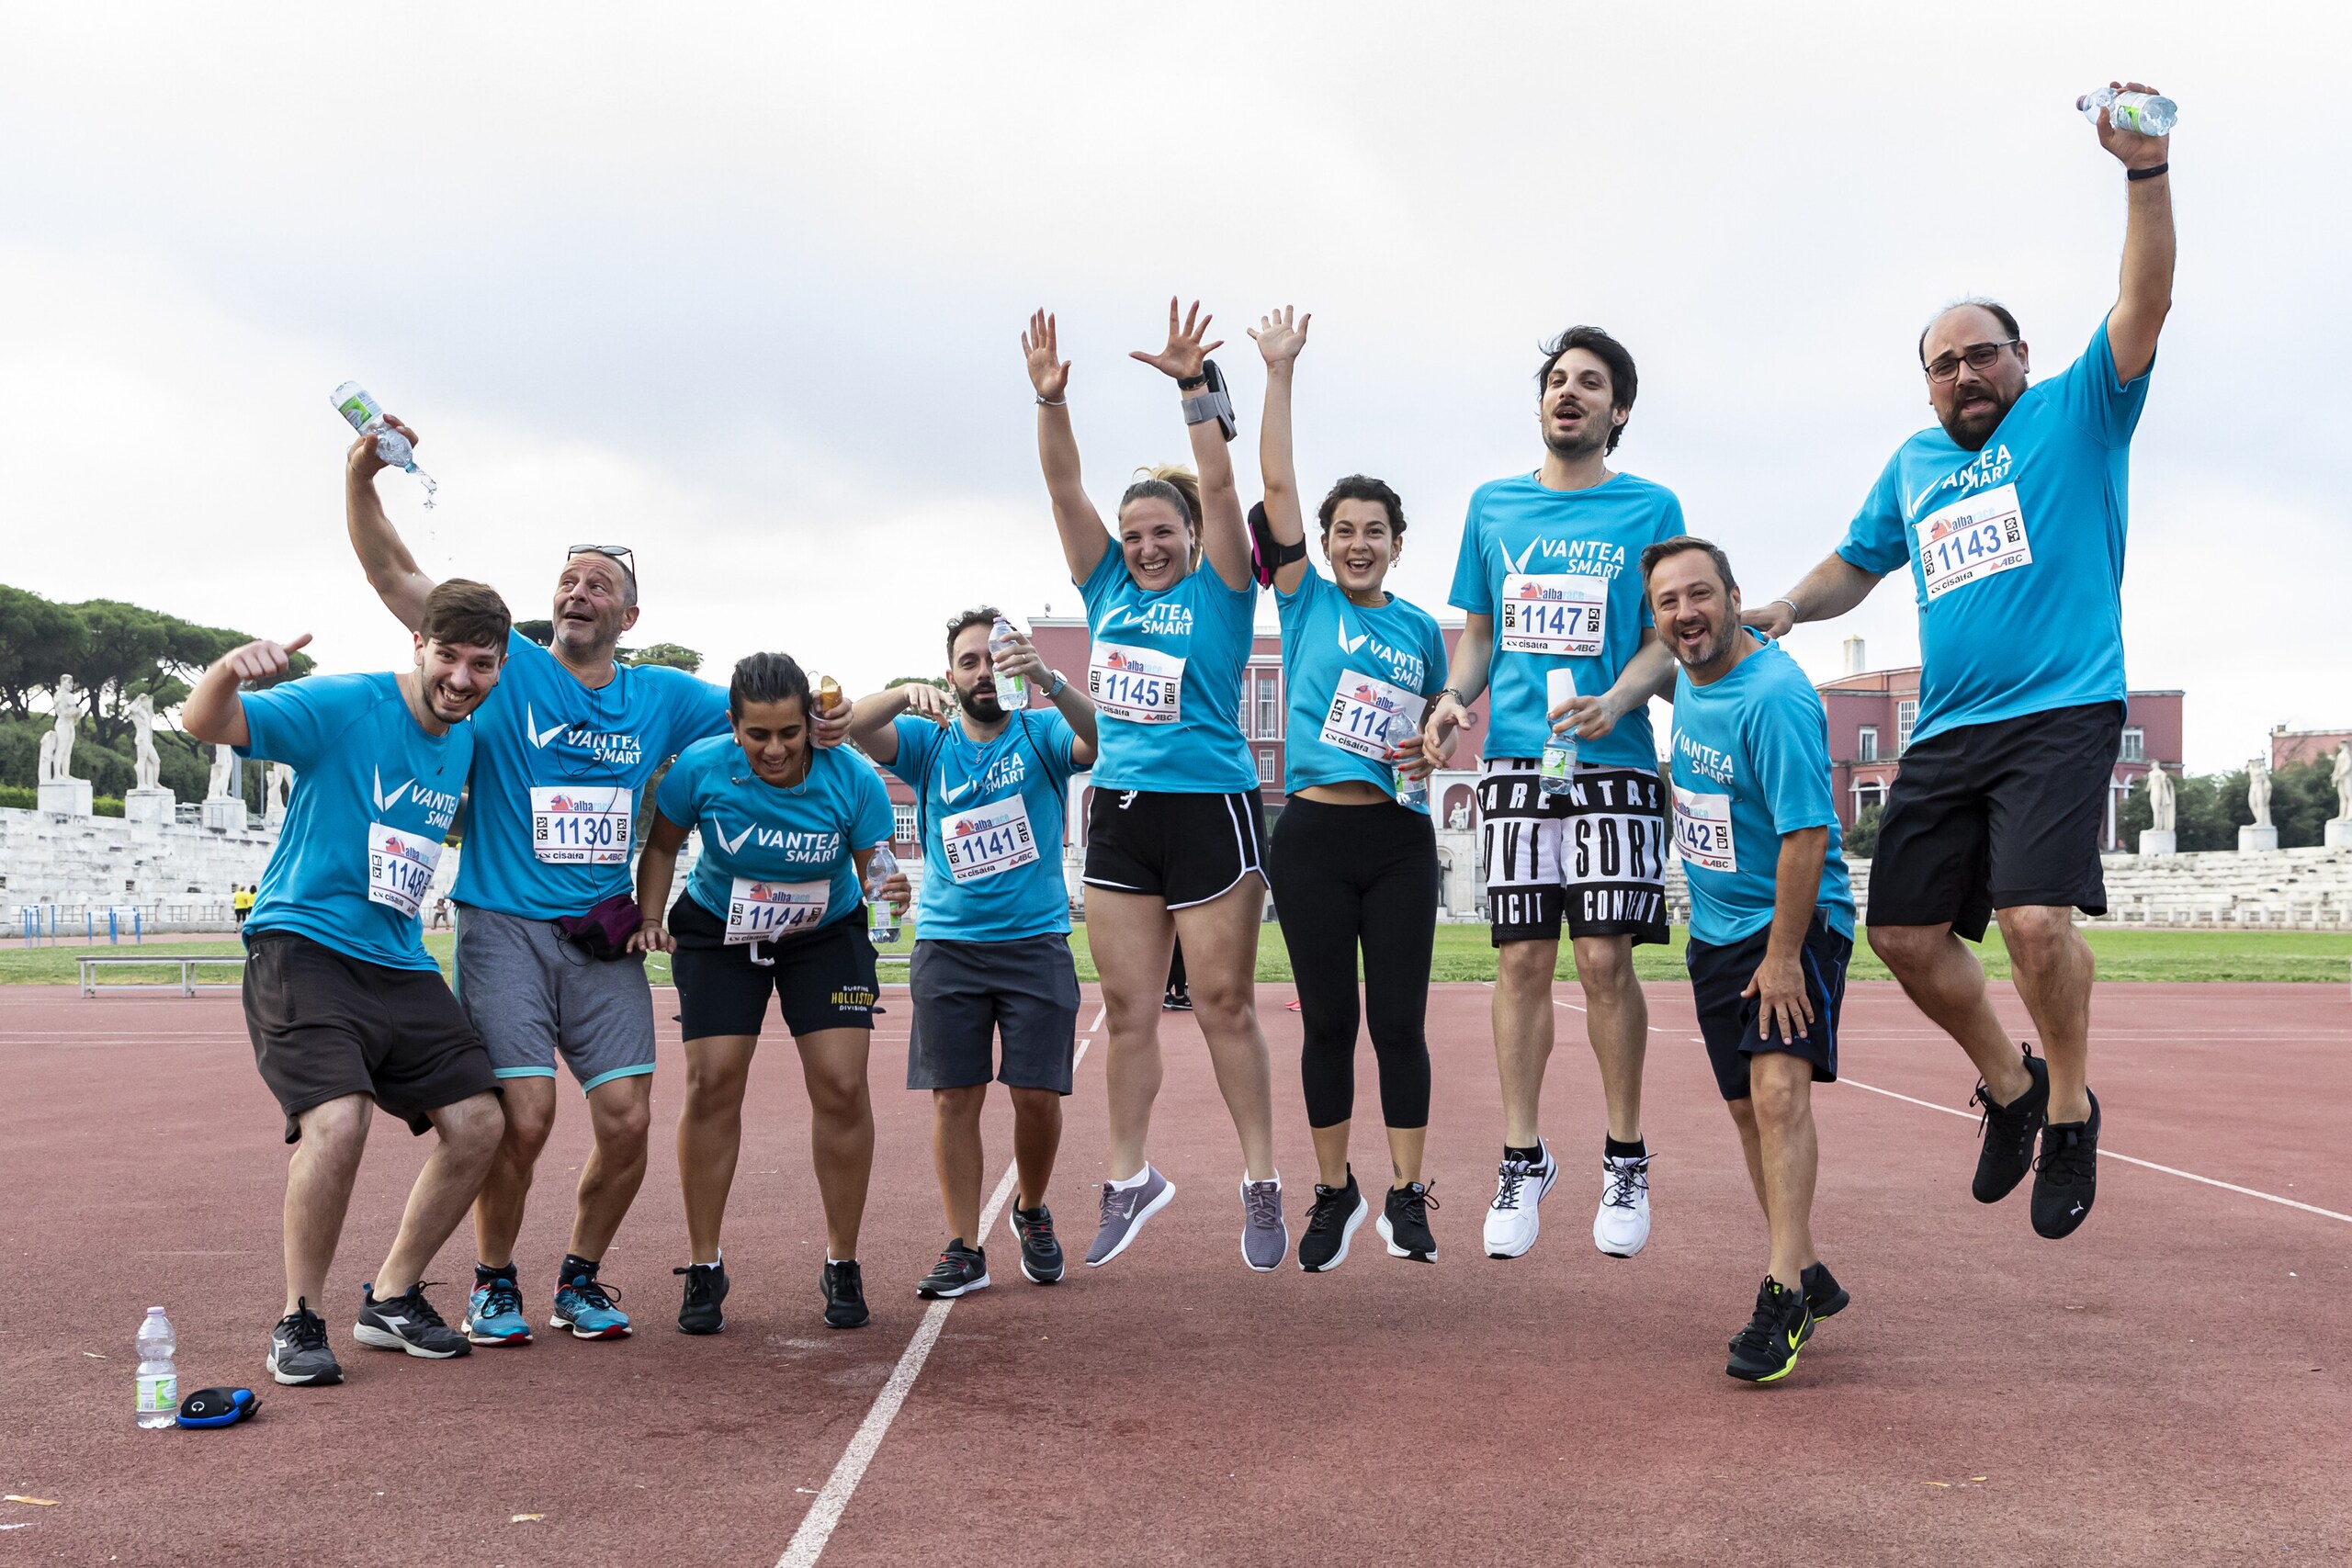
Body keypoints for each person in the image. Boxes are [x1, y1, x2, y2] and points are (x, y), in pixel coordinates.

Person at [1744, 85, 2174, 1238]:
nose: (1962, 376)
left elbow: (2143, 299)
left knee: (2035, 922)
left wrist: (2143, 174)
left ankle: (2072, 1113)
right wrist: (1786, 606)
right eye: (1942, 366)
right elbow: (1853, 564)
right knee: (1902, 937)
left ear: (2020, 357)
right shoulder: (1913, 463)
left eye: (1980, 355)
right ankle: (2011, 1085)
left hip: (2061, 708)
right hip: (1946, 731)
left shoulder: (2079, 410)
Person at [345, 417, 852, 1345]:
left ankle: (579, 1278)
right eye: (570, 578)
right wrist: (359, 482)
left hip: (601, 934)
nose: (580, 590)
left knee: (624, 1118)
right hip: (501, 924)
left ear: (630, 618)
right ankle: (492, 1281)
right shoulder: (508, 665)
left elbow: (768, 718)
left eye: (602, 584)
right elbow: (394, 579)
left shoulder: (662, 697)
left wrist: (831, 710)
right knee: (525, 1116)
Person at [179, 582, 514, 1387]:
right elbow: (205, 722)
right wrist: (229, 670)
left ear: (499, 668)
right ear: (418, 647)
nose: (462, 678)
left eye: (481, 664)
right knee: (340, 1119)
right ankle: (298, 1317)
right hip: (303, 946)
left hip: (397, 959)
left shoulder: (465, 741)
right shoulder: (346, 704)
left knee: (478, 1121)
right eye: (449, 656)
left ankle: (393, 1295)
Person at [1023, 301, 1286, 1270]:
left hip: (1210, 808)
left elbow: (1222, 477)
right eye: (1132, 535)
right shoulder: (1106, 592)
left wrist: (1192, 389)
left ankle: (1260, 1183)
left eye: (1157, 531)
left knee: (1222, 1002)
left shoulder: (1222, 585)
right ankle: (1129, 1178)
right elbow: (1062, 489)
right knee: (1128, 1010)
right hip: (1122, 813)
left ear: (1187, 532)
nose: (1143, 546)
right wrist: (1051, 401)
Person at [1420, 325, 1683, 1261]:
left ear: (1619, 412)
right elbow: (1478, 638)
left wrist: (1618, 696)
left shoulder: (1650, 508)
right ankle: (1522, 1160)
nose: (1569, 393)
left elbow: (1668, 638)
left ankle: (1623, 1158)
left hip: (1610, 763)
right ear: (1541, 404)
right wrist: (1454, 702)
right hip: (1517, 769)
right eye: (1557, 380)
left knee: (1605, 961)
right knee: (1522, 961)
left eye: (1591, 383)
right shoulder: (1492, 507)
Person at [1250, 306, 1450, 1270]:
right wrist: (1280, 373)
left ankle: (1407, 1195)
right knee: (1328, 1022)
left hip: (1398, 842)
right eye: (1344, 530)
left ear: (1397, 544)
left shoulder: (1419, 629)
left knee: (1398, 1023)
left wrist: (1433, 737)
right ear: (1323, 542)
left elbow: (1439, 719)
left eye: (1375, 531)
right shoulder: (1303, 602)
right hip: (1313, 842)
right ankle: (1335, 1188)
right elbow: (1277, 482)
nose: (1358, 543)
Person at [631, 654, 907, 1334]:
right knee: (713, 1080)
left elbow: (878, 868)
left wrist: (889, 889)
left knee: (842, 1085)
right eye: (758, 735)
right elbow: (662, 846)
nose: (776, 749)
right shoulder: (699, 767)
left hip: (824, 930)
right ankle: (704, 1262)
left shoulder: (852, 778)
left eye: (790, 732)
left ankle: (842, 1259)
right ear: (733, 724)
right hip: (724, 928)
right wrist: (648, 913)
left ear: (811, 723)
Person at [1645, 536, 1855, 1382]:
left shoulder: (1771, 695)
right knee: (1745, 1110)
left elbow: (1807, 832)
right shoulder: (1686, 681)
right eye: (1668, 602)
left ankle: (1783, 1296)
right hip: (1717, 932)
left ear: (1735, 596)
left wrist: (1781, 956)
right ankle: (1804, 1265)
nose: (1687, 613)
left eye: (1702, 594)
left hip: (1795, 924)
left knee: (1776, 1093)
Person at [847, 612, 1098, 1297]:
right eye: (969, 661)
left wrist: (1048, 678)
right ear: (951, 674)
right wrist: (903, 694)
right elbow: (852, 725)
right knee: (954, 1098)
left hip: (1035, 942)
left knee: (1038, 1096)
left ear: (1014, 665)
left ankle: (1031, 1209)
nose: (984, 671)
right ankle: (963, 1244)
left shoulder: (1041, 731)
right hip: (949, 947)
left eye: (996, 658)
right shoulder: (931, 746)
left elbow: (1098, 737)